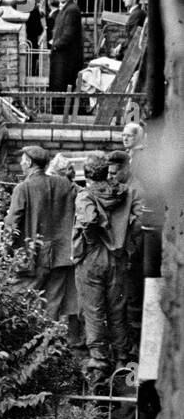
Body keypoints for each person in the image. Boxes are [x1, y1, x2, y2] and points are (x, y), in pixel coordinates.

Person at [74, 155, 142, 377]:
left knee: (93, 310)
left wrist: (92, 241)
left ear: (87, 175)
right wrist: (125, 240)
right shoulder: (126, 192)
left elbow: (89, 220)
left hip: (92, 258)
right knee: (117, 310)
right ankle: (122, 359)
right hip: (119, 258)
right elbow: (140, 220)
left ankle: (99, 362)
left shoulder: (86, 194)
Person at [6, 145, 79, 326]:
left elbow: (12, 222)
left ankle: (28, 338)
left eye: (23, 159)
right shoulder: (64, 183)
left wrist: (6, 248)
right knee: (53, 302)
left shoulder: (22, 188)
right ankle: (48, 341)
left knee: (23, 297)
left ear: (29, 162)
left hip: (33, 254)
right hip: (62, 254)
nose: (21, 162)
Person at [47, 0, 82, 94]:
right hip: (62, 57)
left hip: (66, 58)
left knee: (62, 87)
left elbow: (68, 35)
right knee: (59, 87)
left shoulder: (71, 10)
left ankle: (61, 111)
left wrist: (55, 45)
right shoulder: (66, 8)